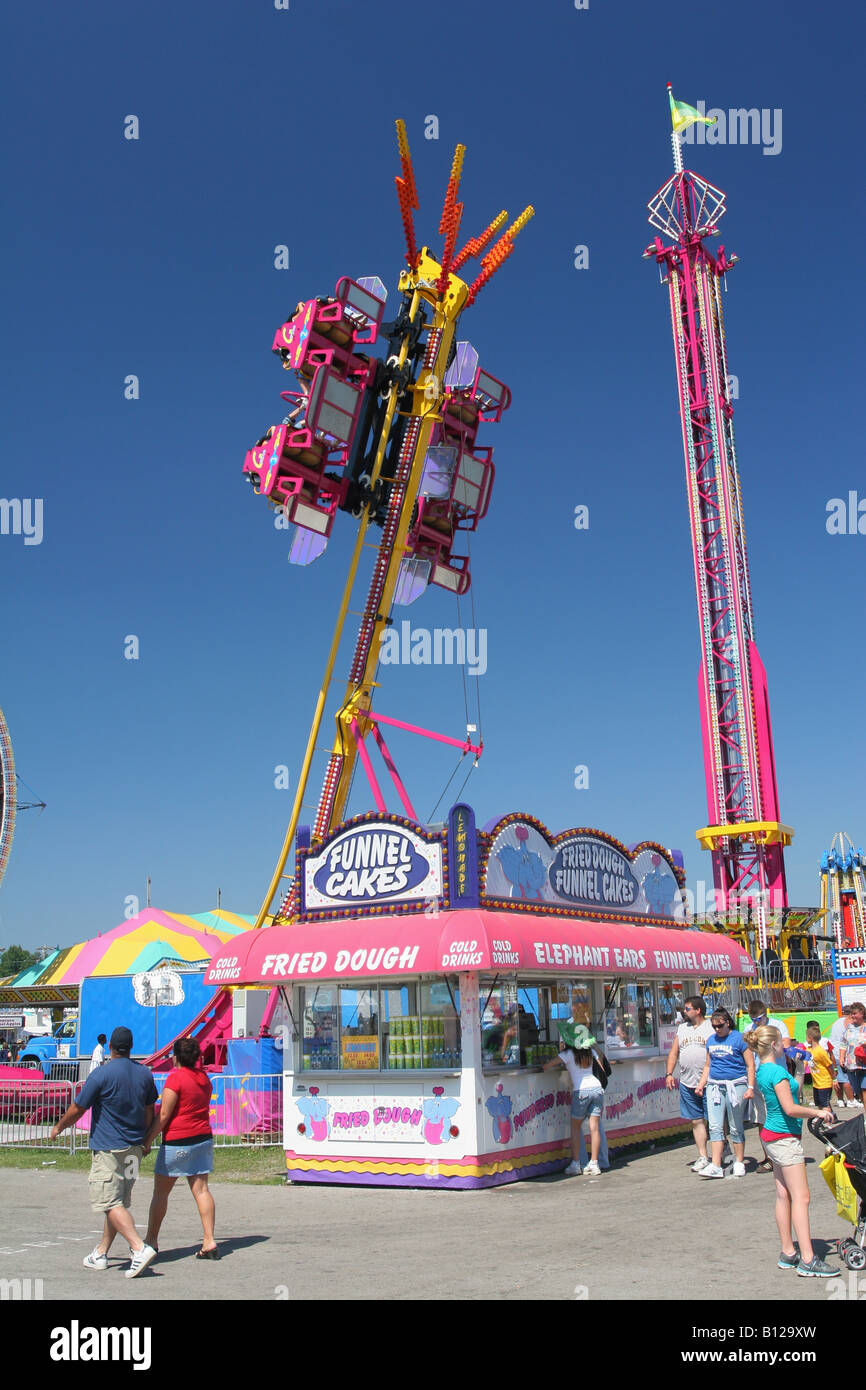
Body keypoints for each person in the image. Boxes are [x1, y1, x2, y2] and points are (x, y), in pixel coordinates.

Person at [49, 1026, 158, 1279]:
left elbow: (78, 1107)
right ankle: (101, 1252)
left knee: (108, 1201)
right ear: (131, 1047)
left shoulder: (101, 1074)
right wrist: (146, 1139)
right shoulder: (144, 1074)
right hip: (134, 1148)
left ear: (110, 1046)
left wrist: (59, 1126)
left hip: (110, 1148)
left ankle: (138, 1248)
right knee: (118, 1201)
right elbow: (149, 1109)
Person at [745, 1024, 838, 1277]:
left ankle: (788, 1252)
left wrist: (798, 1069)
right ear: (775, 1045)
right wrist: (819, 1111)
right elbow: (791, 1108)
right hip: (785, 1138)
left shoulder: (766, 1070)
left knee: (783, 1194)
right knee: (802, 1197)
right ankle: (808, 1258)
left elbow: (793, 1092)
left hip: (772, 1136)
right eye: (783, 1042)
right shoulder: (775, 1072)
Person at [143, 1038, 218, 1259]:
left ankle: (151, 1240)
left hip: (178, 1141)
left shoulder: (174, 1078)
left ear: (175, 1057)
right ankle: (209, 1240)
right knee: (202, 1190)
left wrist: (147, 1140)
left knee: (161, 1193)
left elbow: (164, 1115)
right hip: (202, 1137)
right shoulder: (204, 1078)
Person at [694, 1007, 755, 1177]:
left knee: (735, 1125)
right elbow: (708, 1065)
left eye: (720, 1026)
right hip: (715, 1085)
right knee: (714, 1126)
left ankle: (739, 1161)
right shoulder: (711, 1041)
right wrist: (701, 1084)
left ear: (727, 1023)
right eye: (714, 1027)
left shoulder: (739, 1039)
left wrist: (750, 1088)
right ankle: (716, 1164)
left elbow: (750, 1065)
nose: (717, 1030)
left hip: (736, 1085)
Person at [544, 1021, 605, 1177]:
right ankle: (594, 1164)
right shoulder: (591, 1052)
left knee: (576, 1128)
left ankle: (576, 1163)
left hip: (581, 1091)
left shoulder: (568, 1055)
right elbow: (602, 1068)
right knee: (594, 1128)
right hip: (597, 1088)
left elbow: (547, 1066)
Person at [665, 996, 713, 1171]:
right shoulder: (682, 1029)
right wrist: (669, 1074)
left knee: (714, 1121)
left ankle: (721, 1149)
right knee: (696, 1120)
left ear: (698, 1010)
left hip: (709, 1081)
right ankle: (703, 1155)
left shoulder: (710, 1028)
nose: (683, 1012)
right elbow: (673, 1053)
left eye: (687, 1009)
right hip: (687, 1081)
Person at [745, 999, 791, 1173]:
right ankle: (769, 1157)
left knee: (783, 1112)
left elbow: (785, 1044)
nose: (757, 1022)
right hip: (759, 1078)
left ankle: (783, 1153)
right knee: (762, 1118)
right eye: (754, 1019)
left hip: (777, 1075)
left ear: (765, 1014)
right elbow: (748, 1055)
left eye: (759, 1019)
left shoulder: (777, 1025)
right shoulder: (749, 1029)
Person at [829, 1004, 856, 1107]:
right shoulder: (847, 1023)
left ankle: (840, 1100)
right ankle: (851, 1100)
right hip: (841, 1053)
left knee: (838, 1079)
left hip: (833, 1052)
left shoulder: (836, 1022)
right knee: (845, 1079)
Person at [804, 1023, 835, 1109]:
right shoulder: (809, 1050)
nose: (805, 1038)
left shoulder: (820, 1051)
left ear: (810, 1038)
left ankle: (828, 1121)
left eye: (806, 1036)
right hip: (816, 1083)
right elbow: (804, 1062)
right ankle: (824, 1118)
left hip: (824, 1082)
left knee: (825, 1105)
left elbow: (829, 1065)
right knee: (819, 1104)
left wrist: (834, 1078)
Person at [841, 1002, 866, 1105]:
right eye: (851, 1013)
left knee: (865, 1089)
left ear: (862, 1013)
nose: (852, 1016)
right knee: (858, 1090)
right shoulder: (849, 1028)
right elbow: (844, 1043)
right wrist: (842, 1057)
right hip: (851, 1064)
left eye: (855, 1013)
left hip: (864, 1065)